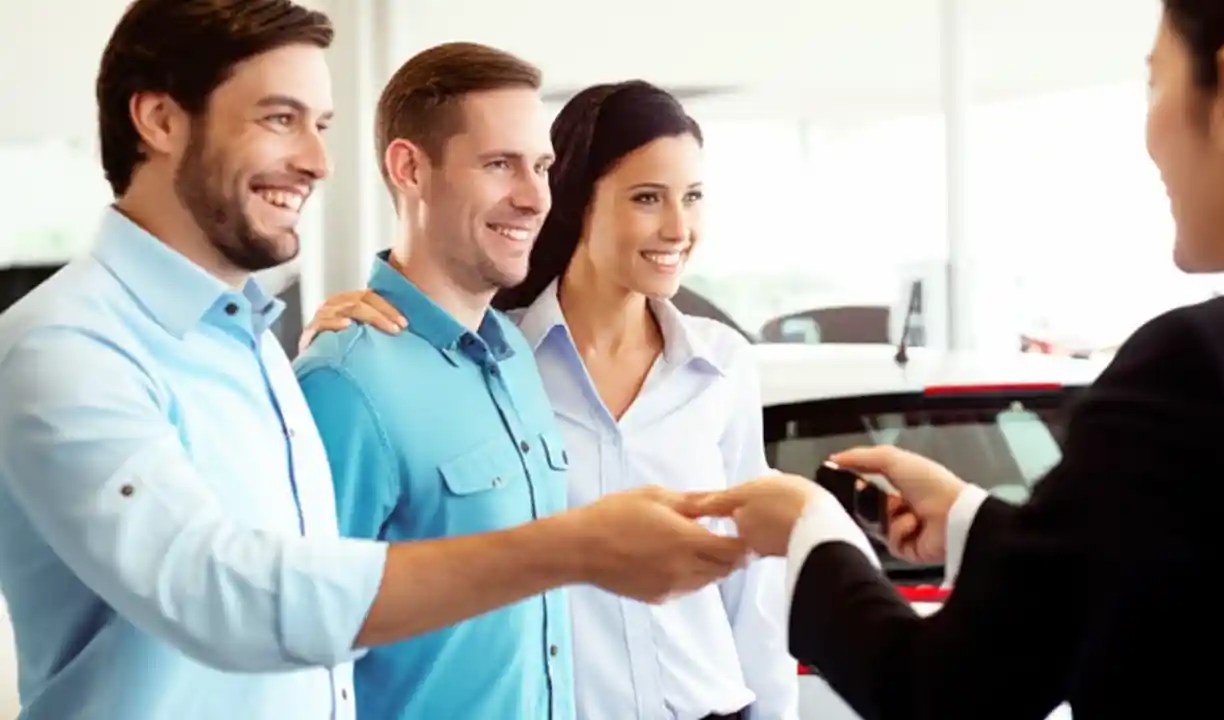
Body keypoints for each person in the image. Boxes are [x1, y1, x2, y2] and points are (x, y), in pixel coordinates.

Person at [0, 5, 745, 719]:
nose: (319, 162)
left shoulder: (254, 345)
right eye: (280, 119)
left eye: (320, 126)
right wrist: (573, 549)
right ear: (159, 120)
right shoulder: (65, 347)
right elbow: (227, 597)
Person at [686, 1, 1224, 717]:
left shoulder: (1200, 366)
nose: (1149, 138)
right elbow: (1156, 573)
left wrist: (813, 529)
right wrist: (972, 517)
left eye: (1155, 86)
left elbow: (942, 693)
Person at [303, 80, 808, 719]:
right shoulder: (498, 361)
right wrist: (344, 328)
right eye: (648, 198)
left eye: (693, 197)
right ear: (577, 203)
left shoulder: (723, 366)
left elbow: (754, 585)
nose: (679, 228)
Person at [293, 42, 574, 720]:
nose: (535, 197)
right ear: (409, 167)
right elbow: (298, 651)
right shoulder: (342, 384)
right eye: (500, 164)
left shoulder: (513, 349)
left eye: (541, 166)